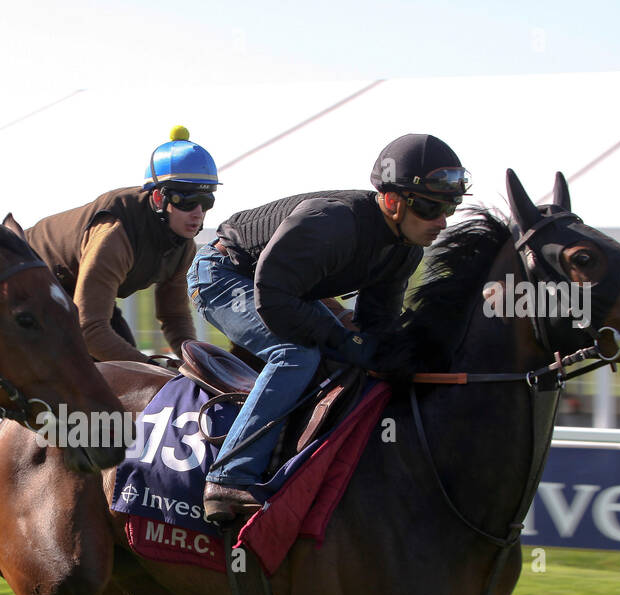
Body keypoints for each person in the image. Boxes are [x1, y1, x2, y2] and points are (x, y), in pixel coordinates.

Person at [192, 132, 470, 523]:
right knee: (296, 353)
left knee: (368, 357)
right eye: (429, 207)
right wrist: (341, 336)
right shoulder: (331, 221)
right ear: (392, 202)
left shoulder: (406, 251)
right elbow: (271, 297)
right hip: (223, 275)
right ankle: (228, 477)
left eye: (450, 208)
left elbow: (377, 327)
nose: (441, 222)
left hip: (284, 287)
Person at [24, 126, 218, 366]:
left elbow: (174, 316)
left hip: (76, 295)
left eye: (206, 200)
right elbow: (89, 329)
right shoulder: (114, 236)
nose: (198, 213)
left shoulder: (183, 245)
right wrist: (154, 369)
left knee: (128, 364)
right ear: (159, 198)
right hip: (30, 283)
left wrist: (199, 364)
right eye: (187, 200)